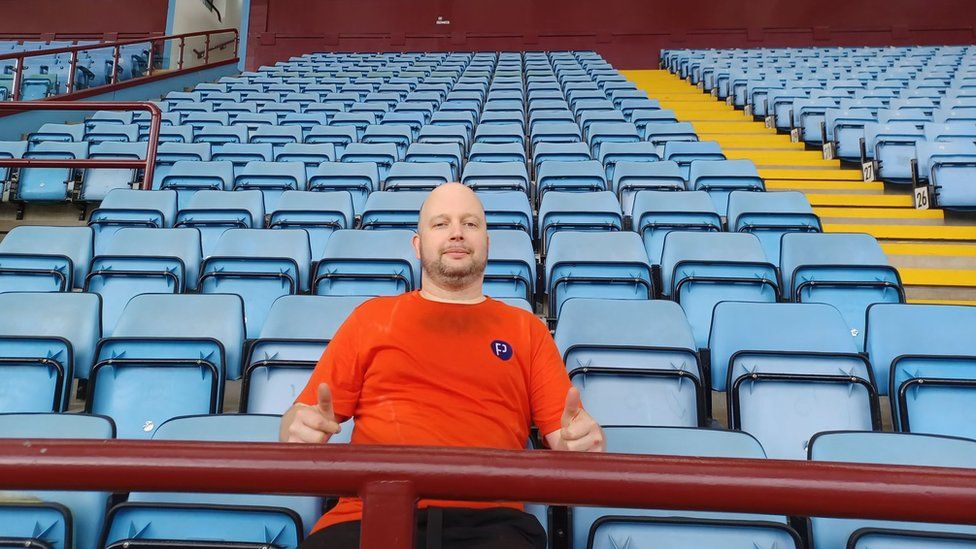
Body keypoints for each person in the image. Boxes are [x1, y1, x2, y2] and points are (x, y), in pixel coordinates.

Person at [281, 183, 606, 549]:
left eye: (470, 223)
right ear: (417, 245)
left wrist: (581, 441)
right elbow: (300, 420)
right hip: (368, 515)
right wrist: (297, 427)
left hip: (491, 525)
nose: (456, 232)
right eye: (440, 224)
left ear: (487, 243)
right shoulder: (370, 318)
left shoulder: (527, 328)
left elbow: (564, 436)